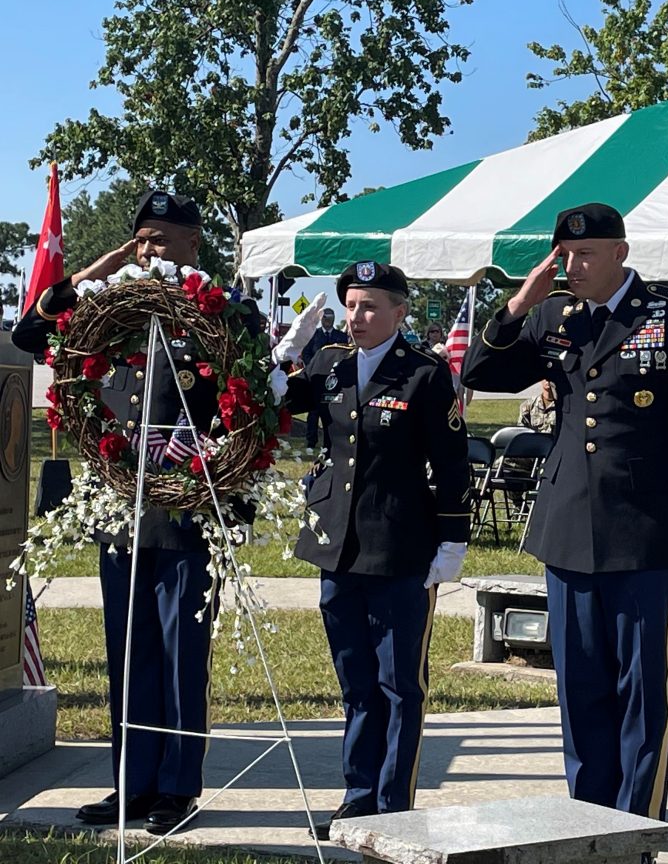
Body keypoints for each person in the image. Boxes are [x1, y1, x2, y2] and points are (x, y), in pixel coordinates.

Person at [461, 202, 668, 820]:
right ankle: (588, 821)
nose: (573, 266)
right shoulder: (556, 315)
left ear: (621, 253)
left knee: (641, 691)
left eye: (585, 255)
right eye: (564, 255)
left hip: (647, 531)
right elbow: (481, 371)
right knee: (580, 689)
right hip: (568, 528)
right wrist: (518, 306)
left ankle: (633, 827)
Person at [14, 190, 256, 835]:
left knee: (180, 656)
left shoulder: (224, 311)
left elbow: (252, 395)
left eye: (163, 240)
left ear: (194, 244)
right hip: (122, 512)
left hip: (187, 516)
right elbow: (30, 333)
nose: (151, 251)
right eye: (143, 239)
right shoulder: (109, 311)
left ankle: (177, 788)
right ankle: (131, 785)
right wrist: (98, 270)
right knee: (128, 655)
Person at [276, 261, 471, 838]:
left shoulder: (425, 375)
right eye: (351, 306)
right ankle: (357, 794)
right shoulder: (331, 364)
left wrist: (452, 541)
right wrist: (286, 352)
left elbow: (453, 464)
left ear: (400, 312)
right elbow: (280, 405)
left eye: (369, 307)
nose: (357, 317)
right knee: (355, 680)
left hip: (398, 548)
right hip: (335, 545)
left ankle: (392, 802)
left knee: (398, 683)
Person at [301, 306, 347, 450]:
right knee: (314, 411)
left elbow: (346, 354)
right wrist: (312, 368)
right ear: (321, 319)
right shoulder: (314, 335)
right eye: (325, 318)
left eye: (331, 318)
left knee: (334, 411)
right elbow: (306, 354)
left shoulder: (341, 336)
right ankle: (311, 441)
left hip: (335, 379)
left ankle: (332, 442)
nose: (328, 321)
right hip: (317, 378)